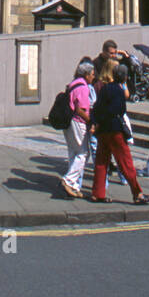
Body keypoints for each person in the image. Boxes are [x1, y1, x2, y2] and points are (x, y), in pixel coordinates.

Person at [89, 64, 149, 204]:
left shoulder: (105, 88)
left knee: (101, 162)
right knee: (126, 163)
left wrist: (96, 122)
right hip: (115, 130)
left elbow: (97, 108)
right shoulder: (119, 90)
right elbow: (120, 110)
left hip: (103, 130)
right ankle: (137, 194)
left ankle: (97, 193)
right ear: (124, 77)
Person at [60, 61, 94, 198]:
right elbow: (80, 110)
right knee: (83, 154)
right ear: (86, 74)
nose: (93, 77)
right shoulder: (83, 87)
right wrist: (90, 121)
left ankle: (73, 186)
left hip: (68, 122)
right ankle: (69, 180)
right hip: (78, 122)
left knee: (73, 153)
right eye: (92, 74)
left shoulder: (73, 83)